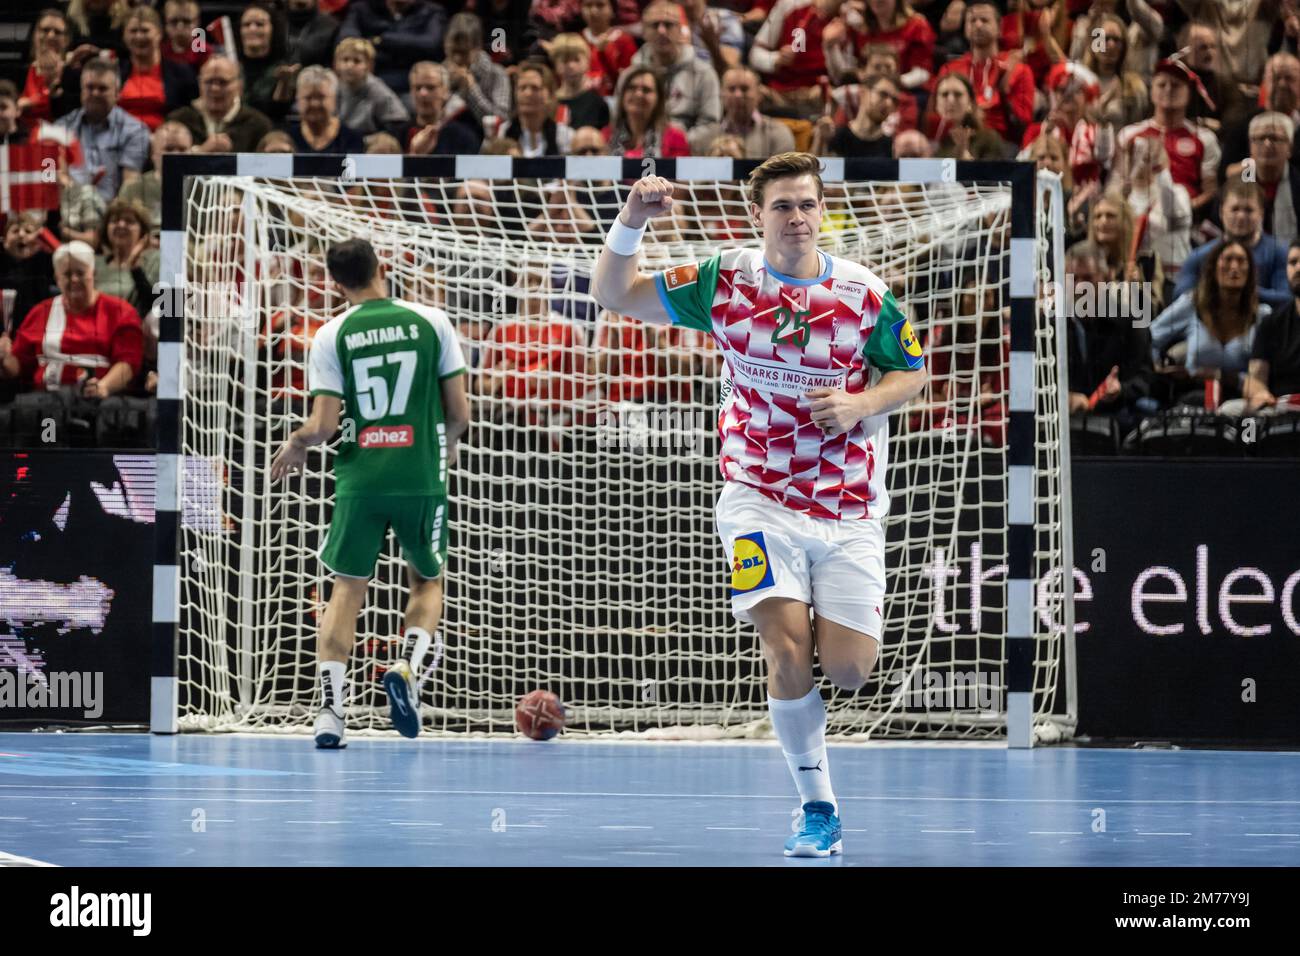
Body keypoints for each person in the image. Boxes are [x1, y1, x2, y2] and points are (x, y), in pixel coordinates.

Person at [591, 152, 928, 856]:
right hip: (756, 498)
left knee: (848, 670)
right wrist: (631, 221)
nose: (797, 217)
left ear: (822, 211)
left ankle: (816, 628)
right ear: (758, 215)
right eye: (782, 206)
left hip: (848, 506)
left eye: (807, 204)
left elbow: (910, 370)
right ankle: (817, 808)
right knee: (784, 647)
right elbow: (614, 294)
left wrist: (862, 401)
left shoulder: (863, 293)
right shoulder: (726, 280)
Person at [269, 238, 470, 749]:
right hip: (419, 473)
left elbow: (323, 424)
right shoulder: (432, 322)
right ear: (382, 267)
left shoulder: (331, 334)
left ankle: (331, 713)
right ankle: (408, 666)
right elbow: (460, 414)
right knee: (427, 580)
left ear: (335, 284)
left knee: (346, 588)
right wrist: (435, 452)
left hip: (360, 478)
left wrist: (295, 443)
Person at [0, 240, 142, 397]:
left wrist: (104, 386)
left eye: (80, 273)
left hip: (98, 403)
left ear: (93, 273)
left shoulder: (120, 311)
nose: (74, 279)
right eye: (67, 274)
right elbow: (19, 366)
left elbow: (128, 363)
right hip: (43, 403)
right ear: (57, 278)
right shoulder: (40, 312)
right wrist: (4, 358)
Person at [1150, 238, 1269, 406]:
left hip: (1243, 403)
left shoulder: (1263, 316)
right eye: (1227, 259)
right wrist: (1156, 371)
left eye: (1241, 261)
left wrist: (1222, 376)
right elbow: (1150, 338)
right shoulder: (1191, 304)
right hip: (1193, 400)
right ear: (1213, 268)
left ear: (1250, 271)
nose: (1234, 267)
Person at [1174, 181, 1290, 309]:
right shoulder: (1199, 256)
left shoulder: (1279, 252)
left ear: (1261, 214)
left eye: (1248, 210)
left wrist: (1241, 289)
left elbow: (1287, 299)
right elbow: (1180, 296)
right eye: (1234, 209)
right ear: (1221, 212)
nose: (1241, 216)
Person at [933, 0, 1035, 146]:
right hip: (955, 142)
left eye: (985, 20)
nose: (978, 25)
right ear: (965, 28)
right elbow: (937, 115)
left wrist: (1004, 94)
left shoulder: (1018, 69)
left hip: (1001, 145)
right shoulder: (950, 69)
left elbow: (1024, 125)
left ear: (1000, 28)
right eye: (972, 20)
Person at [622, 0, 721, 131]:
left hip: (686, 147)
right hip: (642, 148)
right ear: (644, 32)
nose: (662, 31)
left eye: (668, 25)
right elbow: (619, 122)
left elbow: (710, 126)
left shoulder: (704, 73)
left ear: (680, 30)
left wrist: (676, 144)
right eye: (655, 25)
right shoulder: (630, 75)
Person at [339, 0, 450, 96]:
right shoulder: (362, 9)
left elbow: (431, 45)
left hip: (411, 87)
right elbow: (346, 40)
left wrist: (381, 40)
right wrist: (407, 48)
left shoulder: (431, 11)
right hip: (368, 83)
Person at [1239, 239, 1300, 413]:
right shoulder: (1271, 322)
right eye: (1293, 262)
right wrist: (1260, 393)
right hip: (1279, 408)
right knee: (1231, 412)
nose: (1298, 268)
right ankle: (1248, 440)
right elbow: (1255, 377)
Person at [168, 56, 274, 155]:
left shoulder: (258, 125)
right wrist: (200, 152)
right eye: (209, 82)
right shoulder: (180, 120)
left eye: (222, 82)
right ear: (200, 84)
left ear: (239, 86)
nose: (215, 88)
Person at [116, 5, 198, 131]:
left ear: (159, 33)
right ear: (124, 36)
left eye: (145, 31)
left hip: (167, 142)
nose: (139, 36)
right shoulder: (115, 71)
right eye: (133, 31)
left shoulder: (182, 73)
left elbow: (190, 116)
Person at [690, 65, 796, 156]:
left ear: (759, 94)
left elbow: (783, 177)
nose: (738, 95)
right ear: (721, 95)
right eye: (731, 89)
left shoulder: (778, 134)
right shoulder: (704, 139)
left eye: (744, 89)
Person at [604, 67, 691, 158]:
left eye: (646, 90)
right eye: (632, 88)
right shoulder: (606, 136)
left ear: (659, 99)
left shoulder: (675, 139)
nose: (638, 94)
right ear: (622, 95)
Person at [94, 199, 159, 317]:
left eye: (129, 221)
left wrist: (135, 269)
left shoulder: (156, 260)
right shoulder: (94, 263)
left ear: (142, 231)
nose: (121, 225)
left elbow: (160, 307)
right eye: (114, 221)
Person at [333, 37, 410, 136]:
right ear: (336, 64)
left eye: (357, 61)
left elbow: (399, 121)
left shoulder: (377, 90)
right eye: (345, 60)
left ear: (369, 65)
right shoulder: (331, 87)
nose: (350, 65)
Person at [813, 72, 899, 157]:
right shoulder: (837, 136)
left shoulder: (891, 146)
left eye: (894, 100)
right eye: (883, 94)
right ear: (863, 93)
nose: (889, 103)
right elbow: (815, 169)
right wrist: (821, 139)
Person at [288, 66, 367, 154]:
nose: (314, 104)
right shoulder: (288, 138)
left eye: (321, 97)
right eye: (308, 97)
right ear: (297, 99)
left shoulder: (352, 139)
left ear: (334, 99)